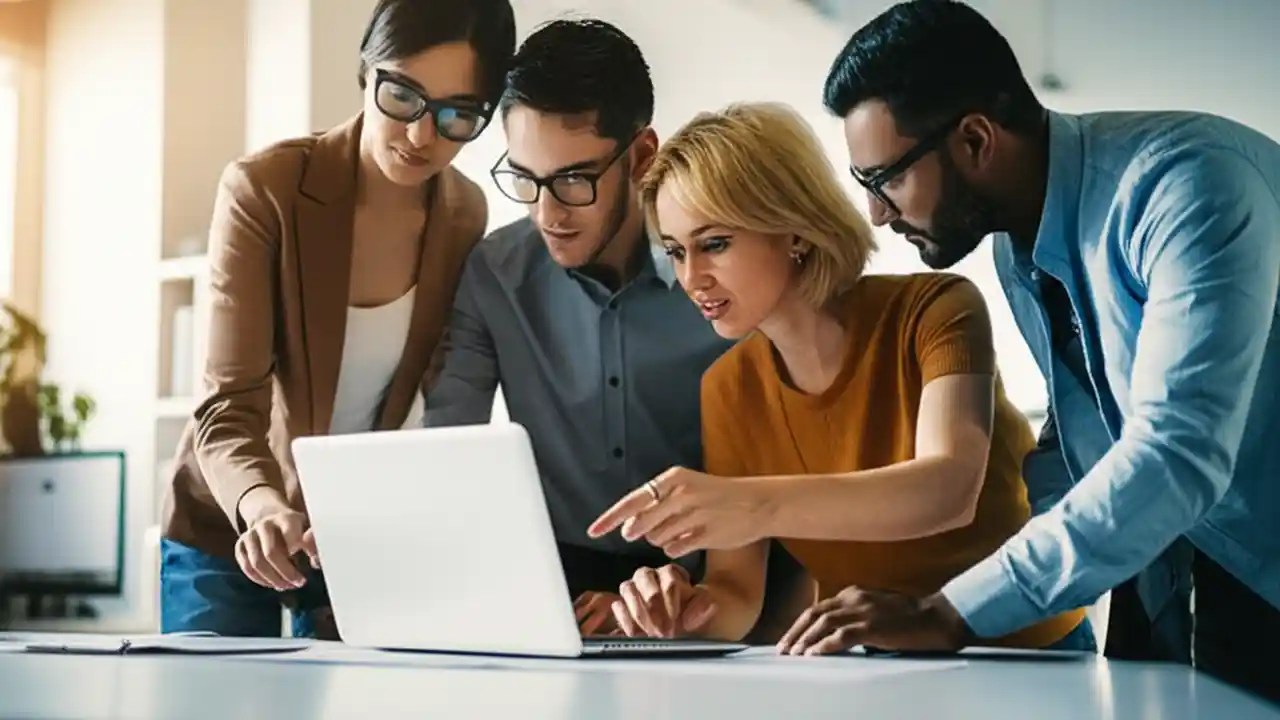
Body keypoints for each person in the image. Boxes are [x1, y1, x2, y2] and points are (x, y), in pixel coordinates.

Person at [809, 0, 1280, 703]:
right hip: (1175, 553)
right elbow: (1083, 432)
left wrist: (954, 611)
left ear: (974, 140)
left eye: (886, 180)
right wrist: (990, 591)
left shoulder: (1188, 187)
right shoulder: (1013, 245)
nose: (877, 213)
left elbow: (1177, 455)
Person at [587, 101, 1092, 653]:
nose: (692, 277)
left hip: (1030, 654)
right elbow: (736, 596)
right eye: (676, 252)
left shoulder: (935, 309)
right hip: (868, 657)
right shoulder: (728, 387)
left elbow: (950, 488)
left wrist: (752, 503)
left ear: (793, 229)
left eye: (714, 244)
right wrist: (673, 612)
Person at [421, 19, 807, 638]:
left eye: (573, 180)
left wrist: (676, 579)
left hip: (731, 567)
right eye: (525, 178)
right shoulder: (496, 274)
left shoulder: (723, 275)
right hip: (560, 580)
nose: (547, 213)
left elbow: (772, 463)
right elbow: (447, 451)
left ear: (641, 156)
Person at [159, 0, 516, 637]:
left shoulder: (465, 213)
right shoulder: (265, 190)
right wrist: (264, 507)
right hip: (230, 519)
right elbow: (226, 404)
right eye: (402, 95)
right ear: (367, 71)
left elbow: (433, 401)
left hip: (349, 536)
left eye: (459, 114)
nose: (421, 136)